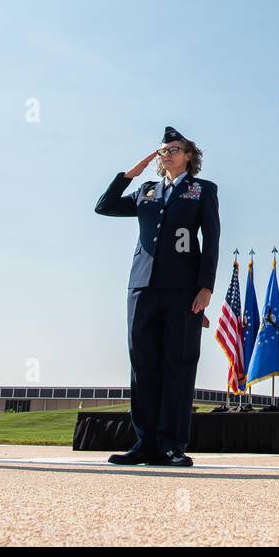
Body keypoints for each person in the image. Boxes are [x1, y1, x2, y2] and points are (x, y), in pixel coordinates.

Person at [97, 127, 219, 466]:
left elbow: (211, 238)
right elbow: (104, 207)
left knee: (177, 365)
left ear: (189, 156)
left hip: (183, 290)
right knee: (143, 366)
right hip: (142, 287)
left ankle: (171, 445)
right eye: (163, 149)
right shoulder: (146, 190)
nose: (167, 154)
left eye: (174, 149)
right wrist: (129, 175)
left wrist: (205, 286)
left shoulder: (202, 190)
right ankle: (144, 444)